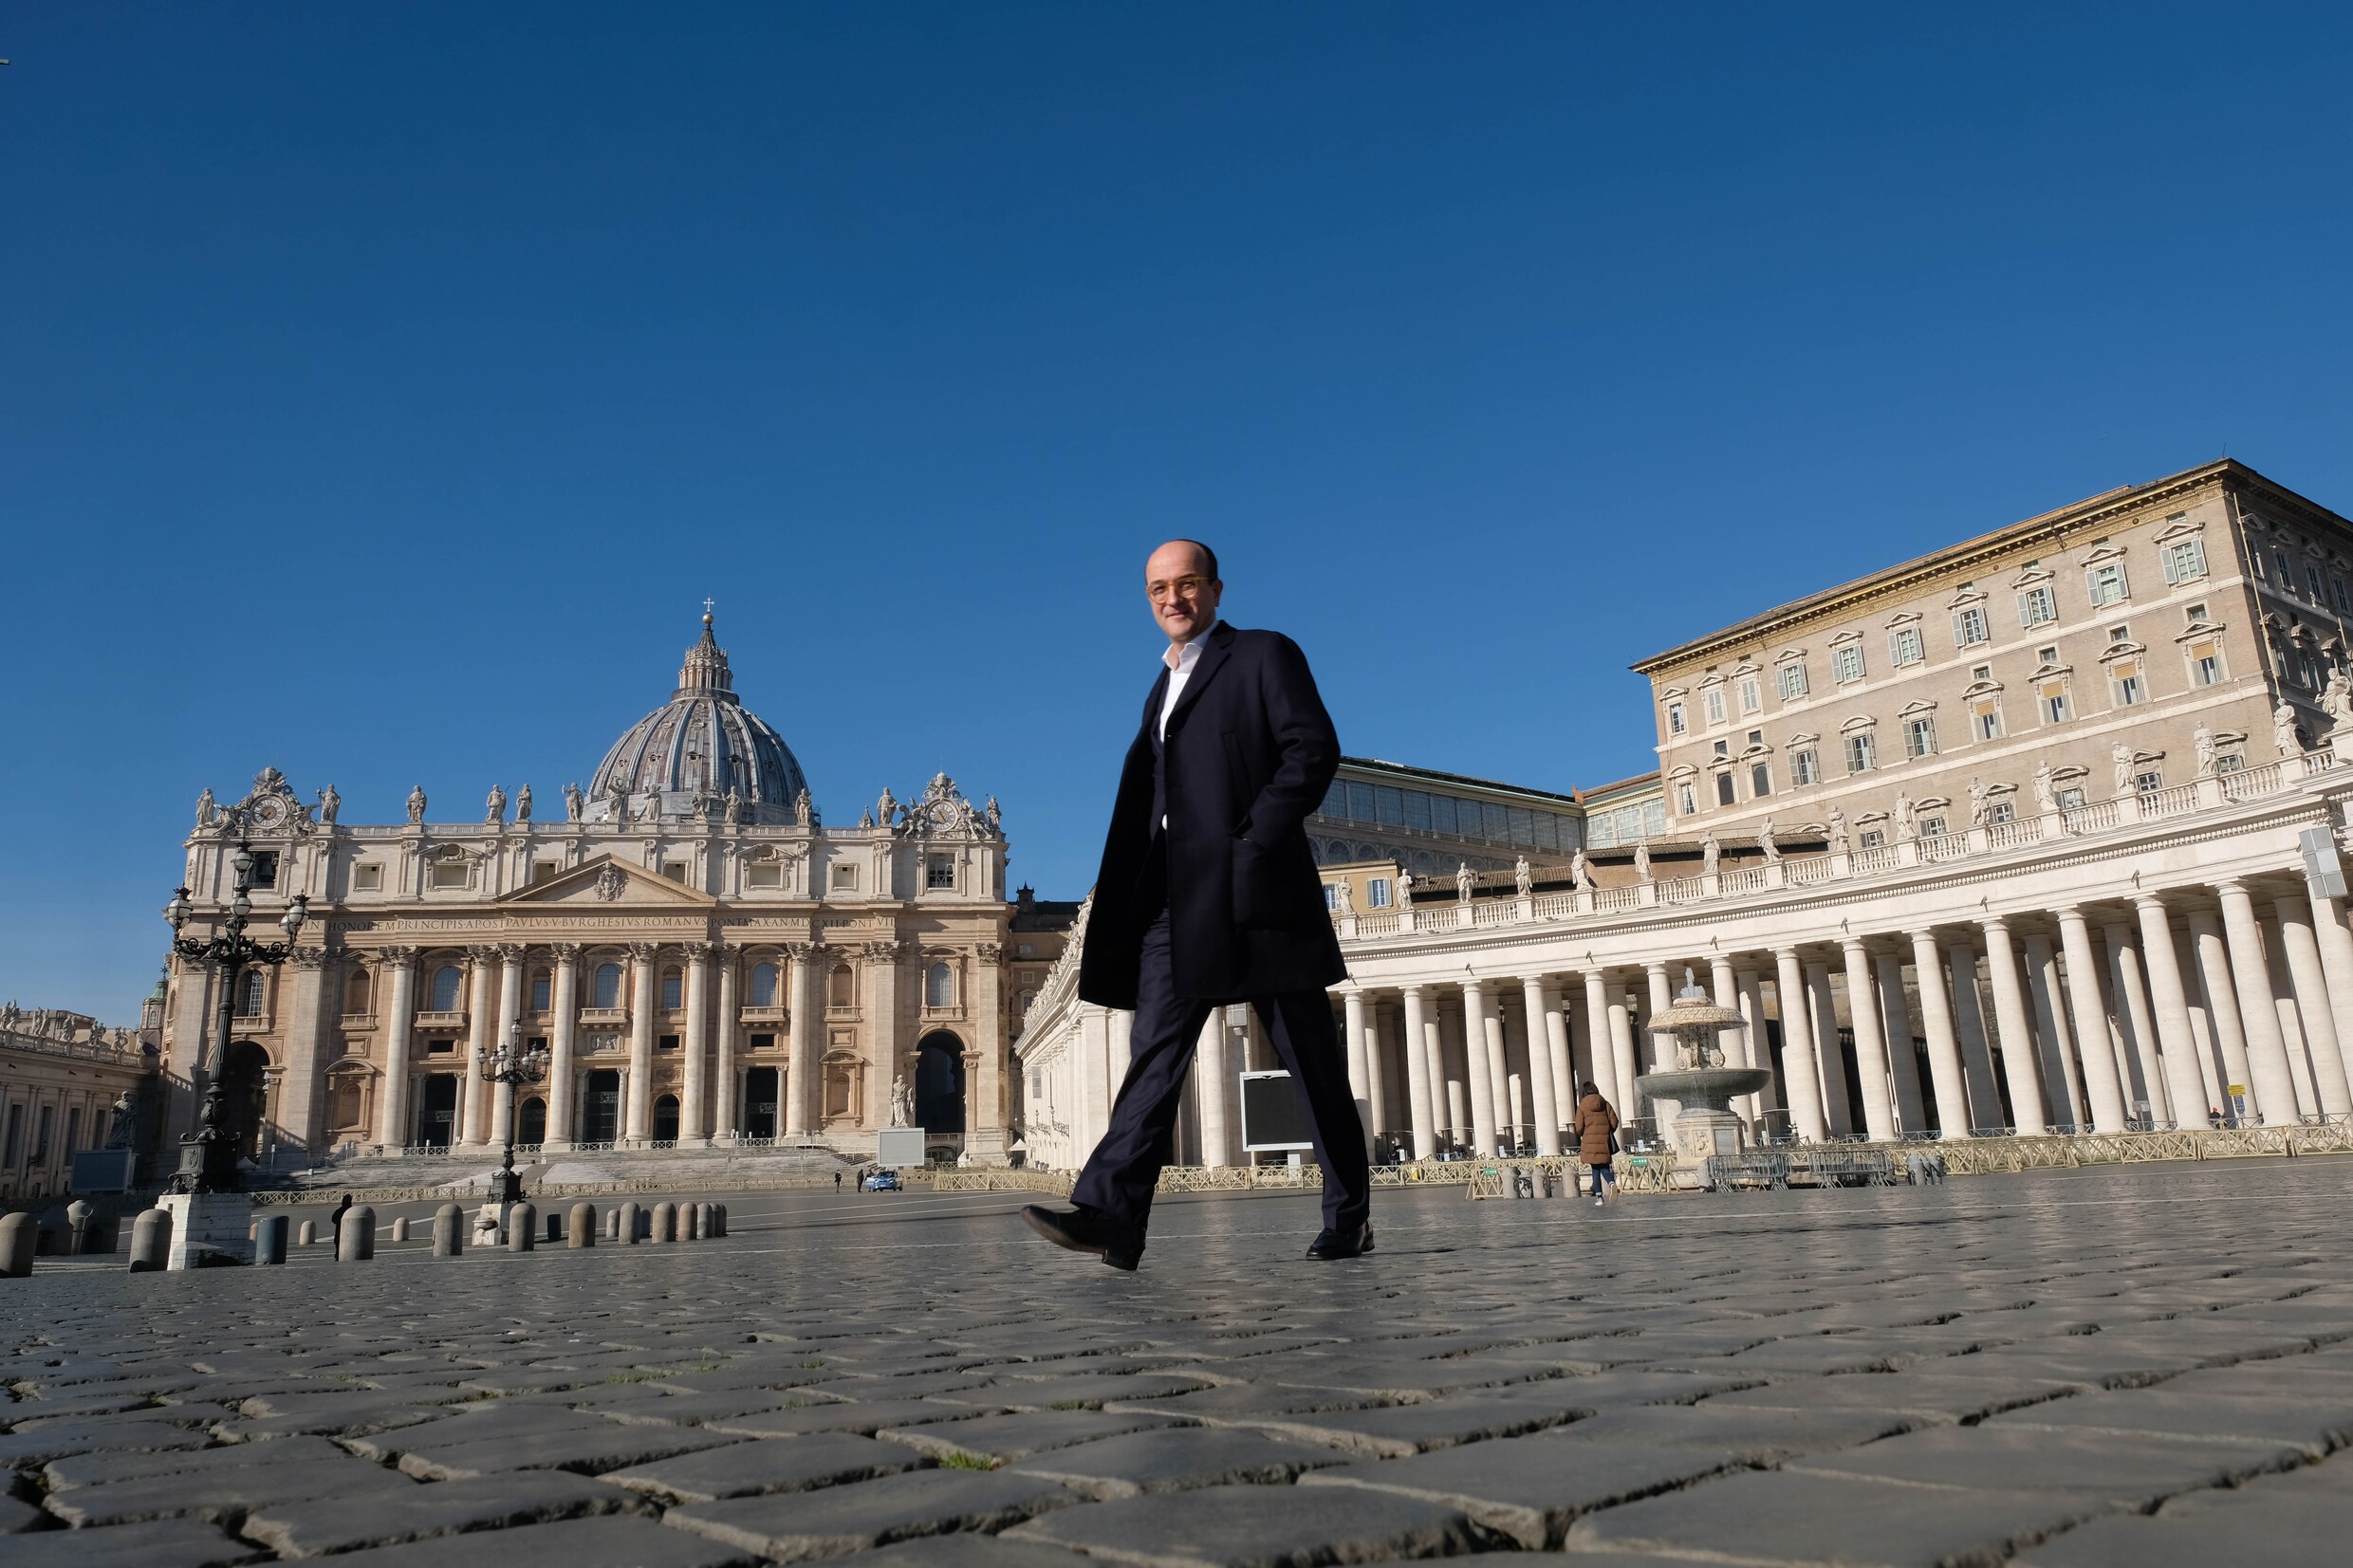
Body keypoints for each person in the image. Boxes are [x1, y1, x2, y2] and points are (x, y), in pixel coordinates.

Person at [1022, 540, 1369, 1271]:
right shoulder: (1161, 687)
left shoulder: (1264, 653)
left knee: (1309, 1059)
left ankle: (1349, 1215)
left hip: (1257, 892)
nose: (1171, 599)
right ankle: (1112, 1214)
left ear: (1213, 588)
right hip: (1176, 900)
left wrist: (1252, 844)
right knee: (1154, 1053)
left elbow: (1313, 749)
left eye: (1185, 584)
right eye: (1157, 590)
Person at [1570, 1082, 1619, 1206]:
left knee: (1595, 1169)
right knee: (1604, 1166)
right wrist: (1607, 1132)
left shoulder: (1582, 1106)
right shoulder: (1605, 1103)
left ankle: (1599, 1198)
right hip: (1604, 1140)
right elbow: (1614, 1121)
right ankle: (1611, 1183)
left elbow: (1579, 1126)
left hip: (1589, 1141)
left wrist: (1584, 1134)